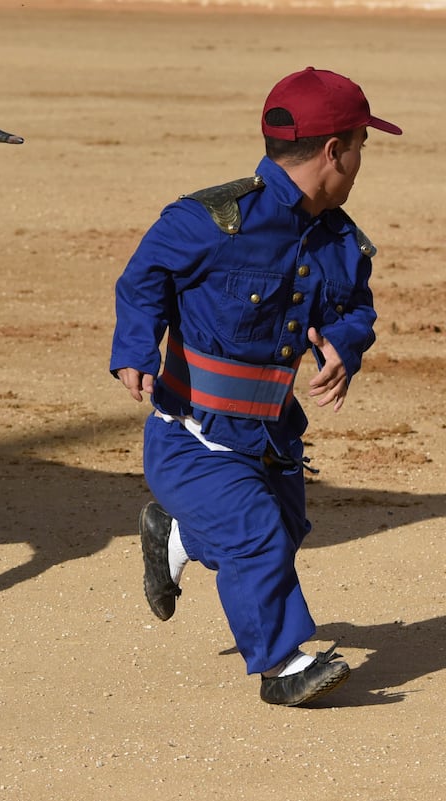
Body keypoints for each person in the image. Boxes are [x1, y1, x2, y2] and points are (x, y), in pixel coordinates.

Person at [109, 67, 401, 706]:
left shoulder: (341, 242)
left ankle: (176, 534)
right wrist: (134, 345)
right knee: (257, 535)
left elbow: (356, 310)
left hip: (272, 437)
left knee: (283, 532)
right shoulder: (212, 220)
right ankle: (281, 665)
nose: (361, 161)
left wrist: (344, 346)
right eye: (361, 146)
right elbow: (143, 279)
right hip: (190, 434)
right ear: (334, 152)